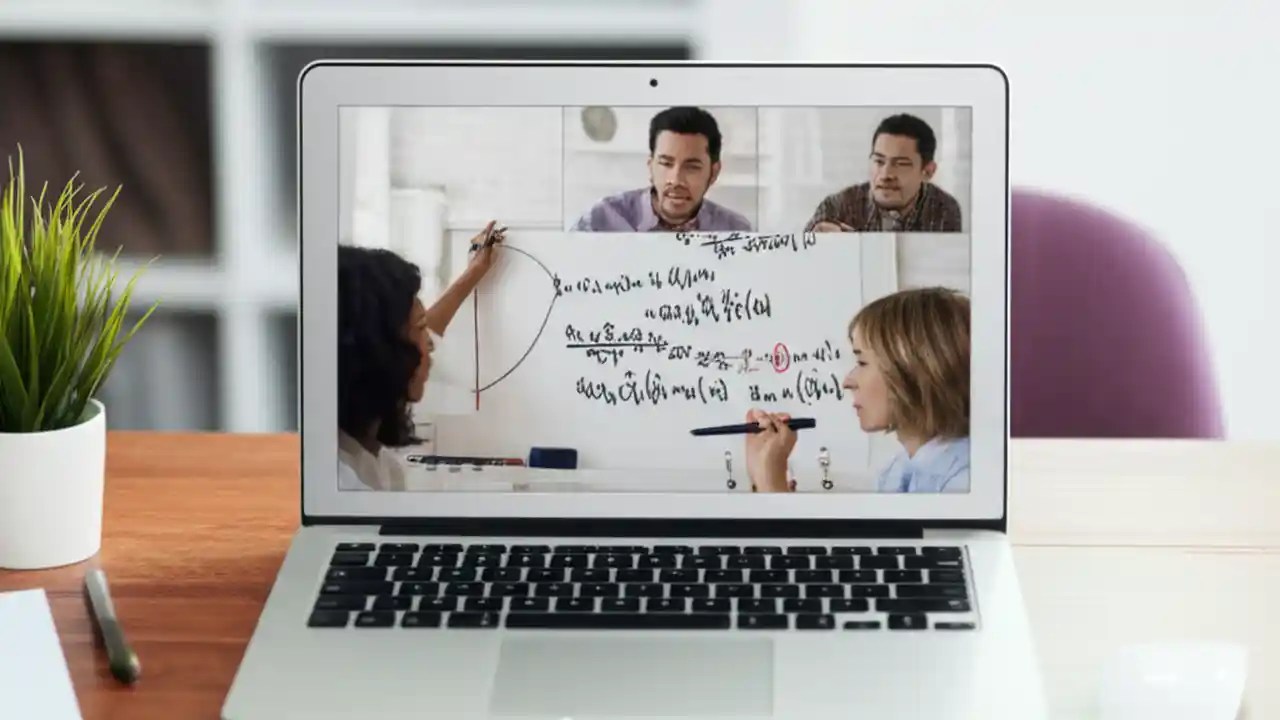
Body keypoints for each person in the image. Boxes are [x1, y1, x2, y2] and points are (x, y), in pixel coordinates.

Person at [744, 287, 970, 493]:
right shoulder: (895, 473)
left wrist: (771, 487)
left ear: (915, 371)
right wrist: (764, 476)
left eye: (862, 363)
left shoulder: (965, 480)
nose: (847, 382)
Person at [336, 221, 505, 491]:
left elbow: (419, 330)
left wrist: (474, 271)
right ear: (379, 350)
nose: (431, 344)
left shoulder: (364, 458)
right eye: (420, 330)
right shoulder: (346, 484)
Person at [570, 106, 753, 232]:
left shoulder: (735, 231)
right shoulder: (600, 221)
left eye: (692, 167)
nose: (675, 180)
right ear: (651, 166)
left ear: (713, 173)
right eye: (666, 164)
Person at [805, 113, 963, 233]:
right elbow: (799, 259)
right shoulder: (837, 207)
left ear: (928, 172)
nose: (886, 174)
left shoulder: (943, 208)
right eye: (879, 161)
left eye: (901, 164)